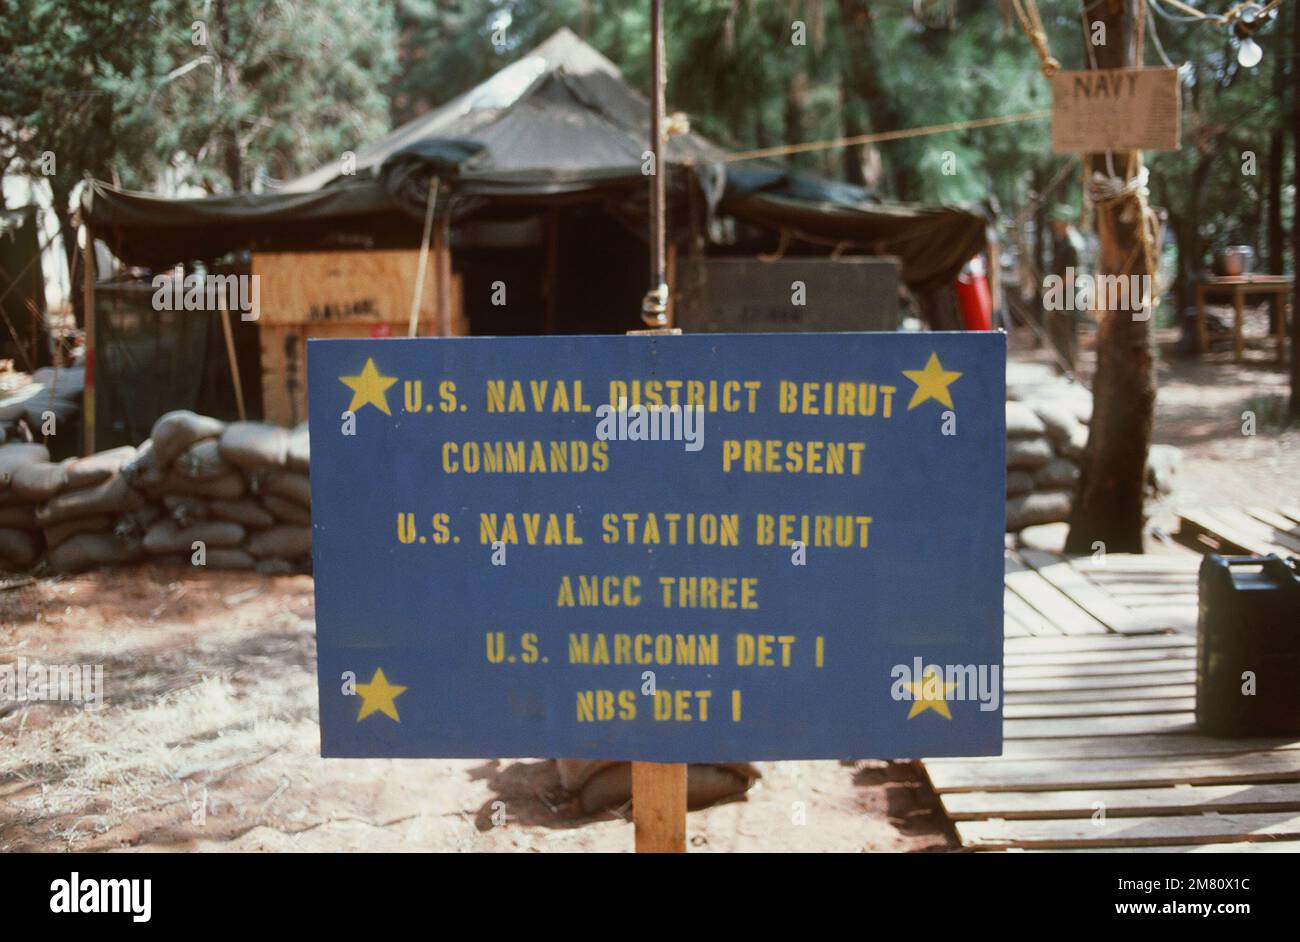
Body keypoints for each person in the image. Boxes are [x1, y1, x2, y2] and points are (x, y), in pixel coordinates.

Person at [1047, 205, 1086, 371]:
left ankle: (1069, 367)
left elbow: (1071, 274)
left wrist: (1053, 290)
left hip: (1069, 294)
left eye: (1056, 221)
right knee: (1059, 330)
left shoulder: (1072, 244)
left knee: (1067, 331)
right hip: (1063, 292)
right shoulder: (1063, 240)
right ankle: (1062, 366)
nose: (1054, 225)